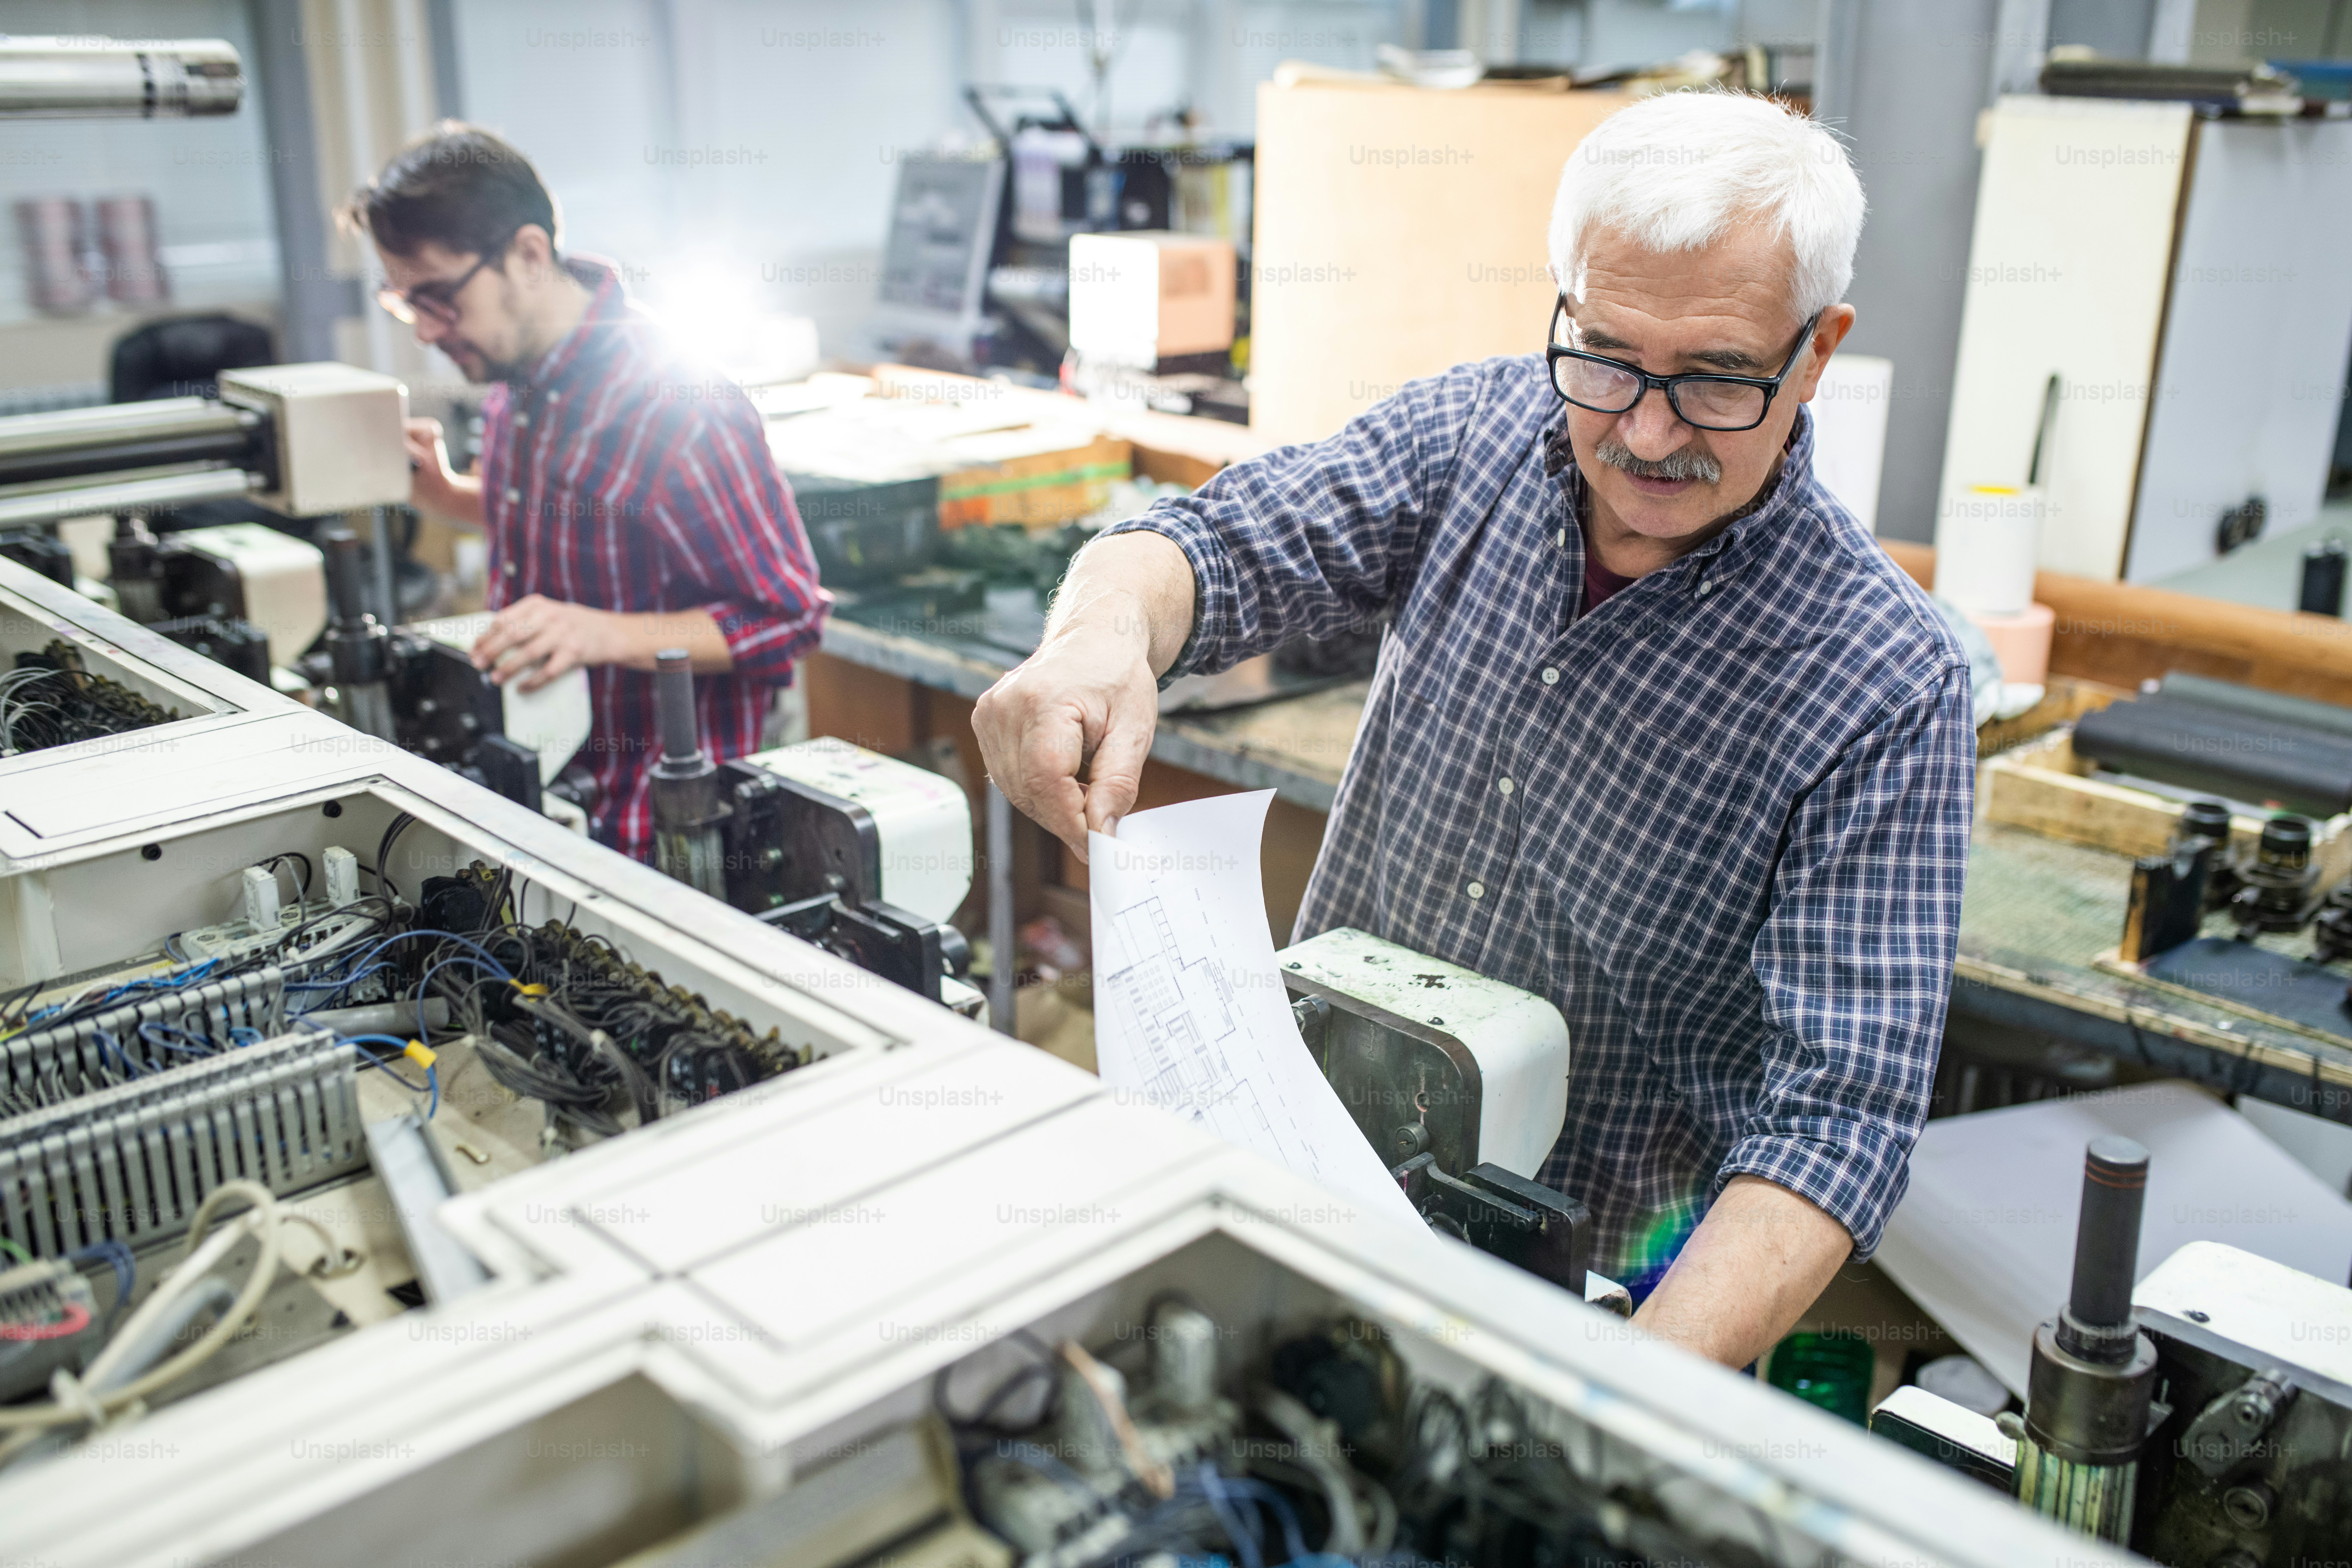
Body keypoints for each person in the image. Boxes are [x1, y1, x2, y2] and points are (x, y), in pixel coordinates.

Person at [972, 91, 1973, 1371]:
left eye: (1717, 379)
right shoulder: (1474, 436)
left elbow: (1838, 1120)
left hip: (1591, 1301)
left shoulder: (1886, 679)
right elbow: (1213, 545)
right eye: (1606, 357)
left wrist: (1616, 1399)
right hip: (1303, 1177)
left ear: (1816, 351)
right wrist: (1098, 633)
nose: (1647, 431)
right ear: (1563, 303)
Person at [343, 123, 828, 860]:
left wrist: (603, 633)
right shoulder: (517, 380)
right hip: (548, 790)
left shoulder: (677, 404)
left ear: (529, 255)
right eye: (407, 304)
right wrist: (448, 496)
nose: (428, 332)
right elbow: (587, 532)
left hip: (659, 830)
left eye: (440, 298)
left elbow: (787, 619)